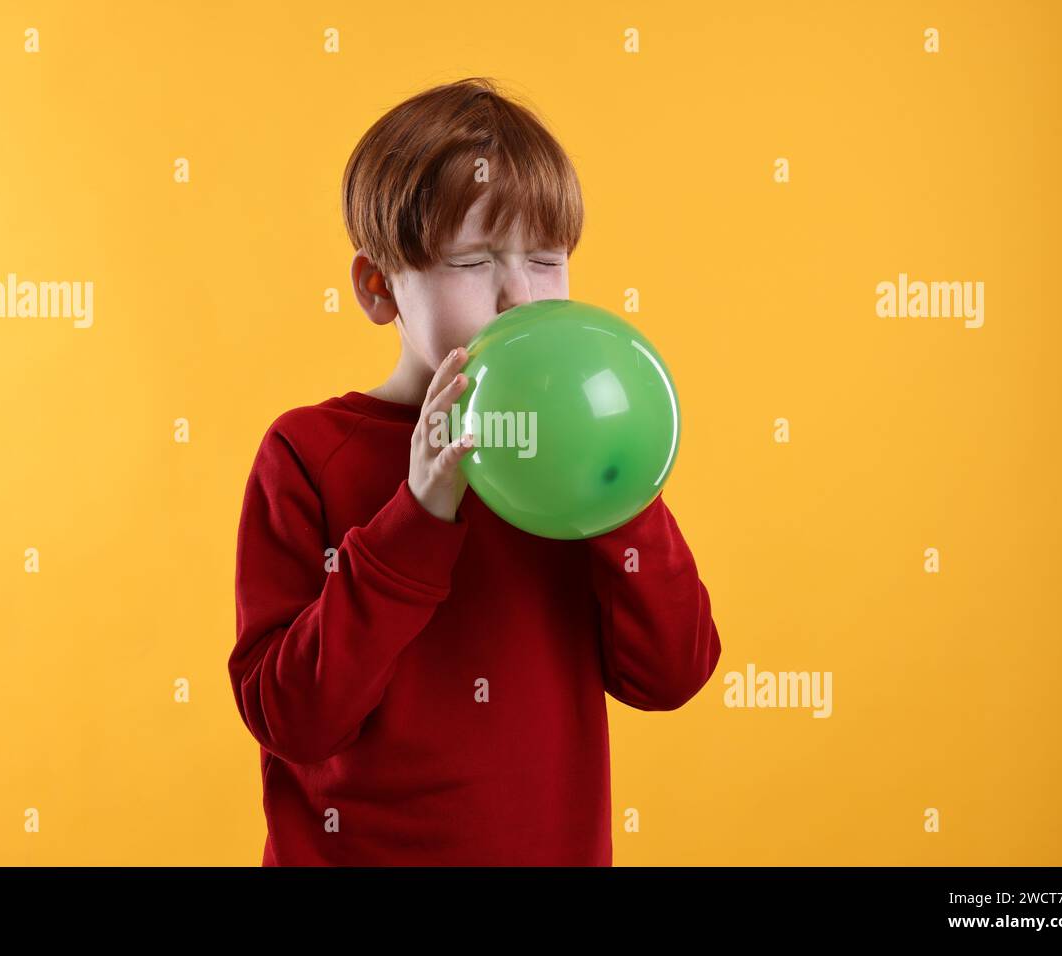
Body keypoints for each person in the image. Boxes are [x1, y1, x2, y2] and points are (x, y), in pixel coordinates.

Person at [229, 77, 722, 865]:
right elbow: (295, 718)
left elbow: (673, 674)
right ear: (379, 287)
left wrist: (621, 494)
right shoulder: (308, 454)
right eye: (469, 262)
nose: (517, 297)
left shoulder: (583, 462)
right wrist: (416, 516)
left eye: (545, 261)